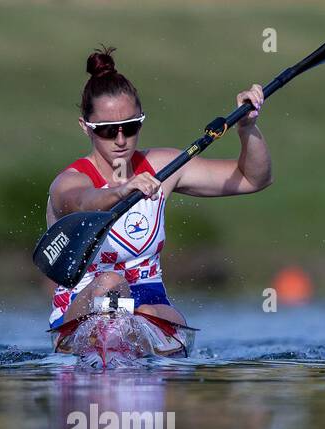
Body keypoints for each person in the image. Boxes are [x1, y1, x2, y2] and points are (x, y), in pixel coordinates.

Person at [46, 46, 272, 357]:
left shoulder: (162, 167)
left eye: (132, 126)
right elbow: (84, 201)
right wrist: (122, 190)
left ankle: (138, 355)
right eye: (108, 131)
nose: (122, 140)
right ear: (85, 127)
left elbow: (252, 178)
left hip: (149, 307)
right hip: (83, 308)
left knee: (165, 317)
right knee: (110, 281)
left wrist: (248, 128)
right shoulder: (70, 181)